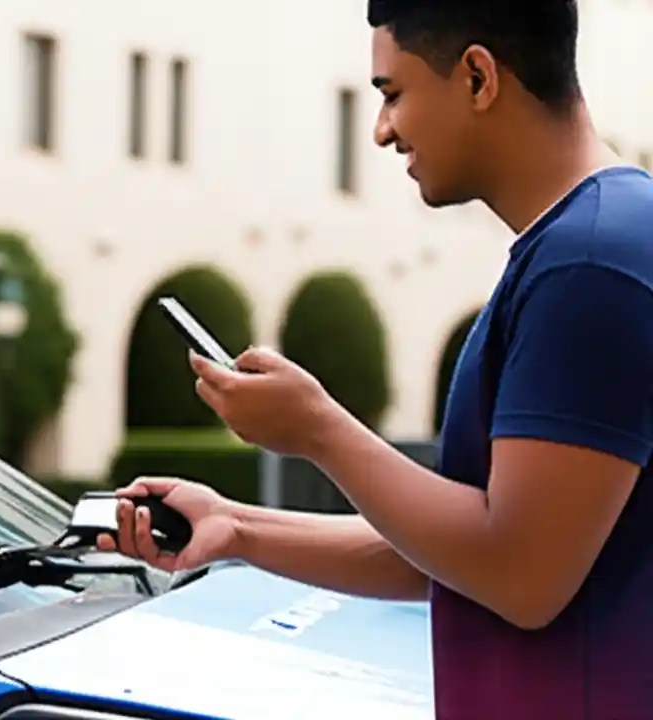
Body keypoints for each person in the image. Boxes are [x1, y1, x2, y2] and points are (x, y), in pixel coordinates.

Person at [98, 1, 653, 717]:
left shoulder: (591, 263)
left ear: (479, 77)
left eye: (393, 93)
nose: (382, 130)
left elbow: (520, 575)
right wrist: (237, 528)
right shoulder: (592, 244)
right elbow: (457, 554)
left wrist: (319, 430)